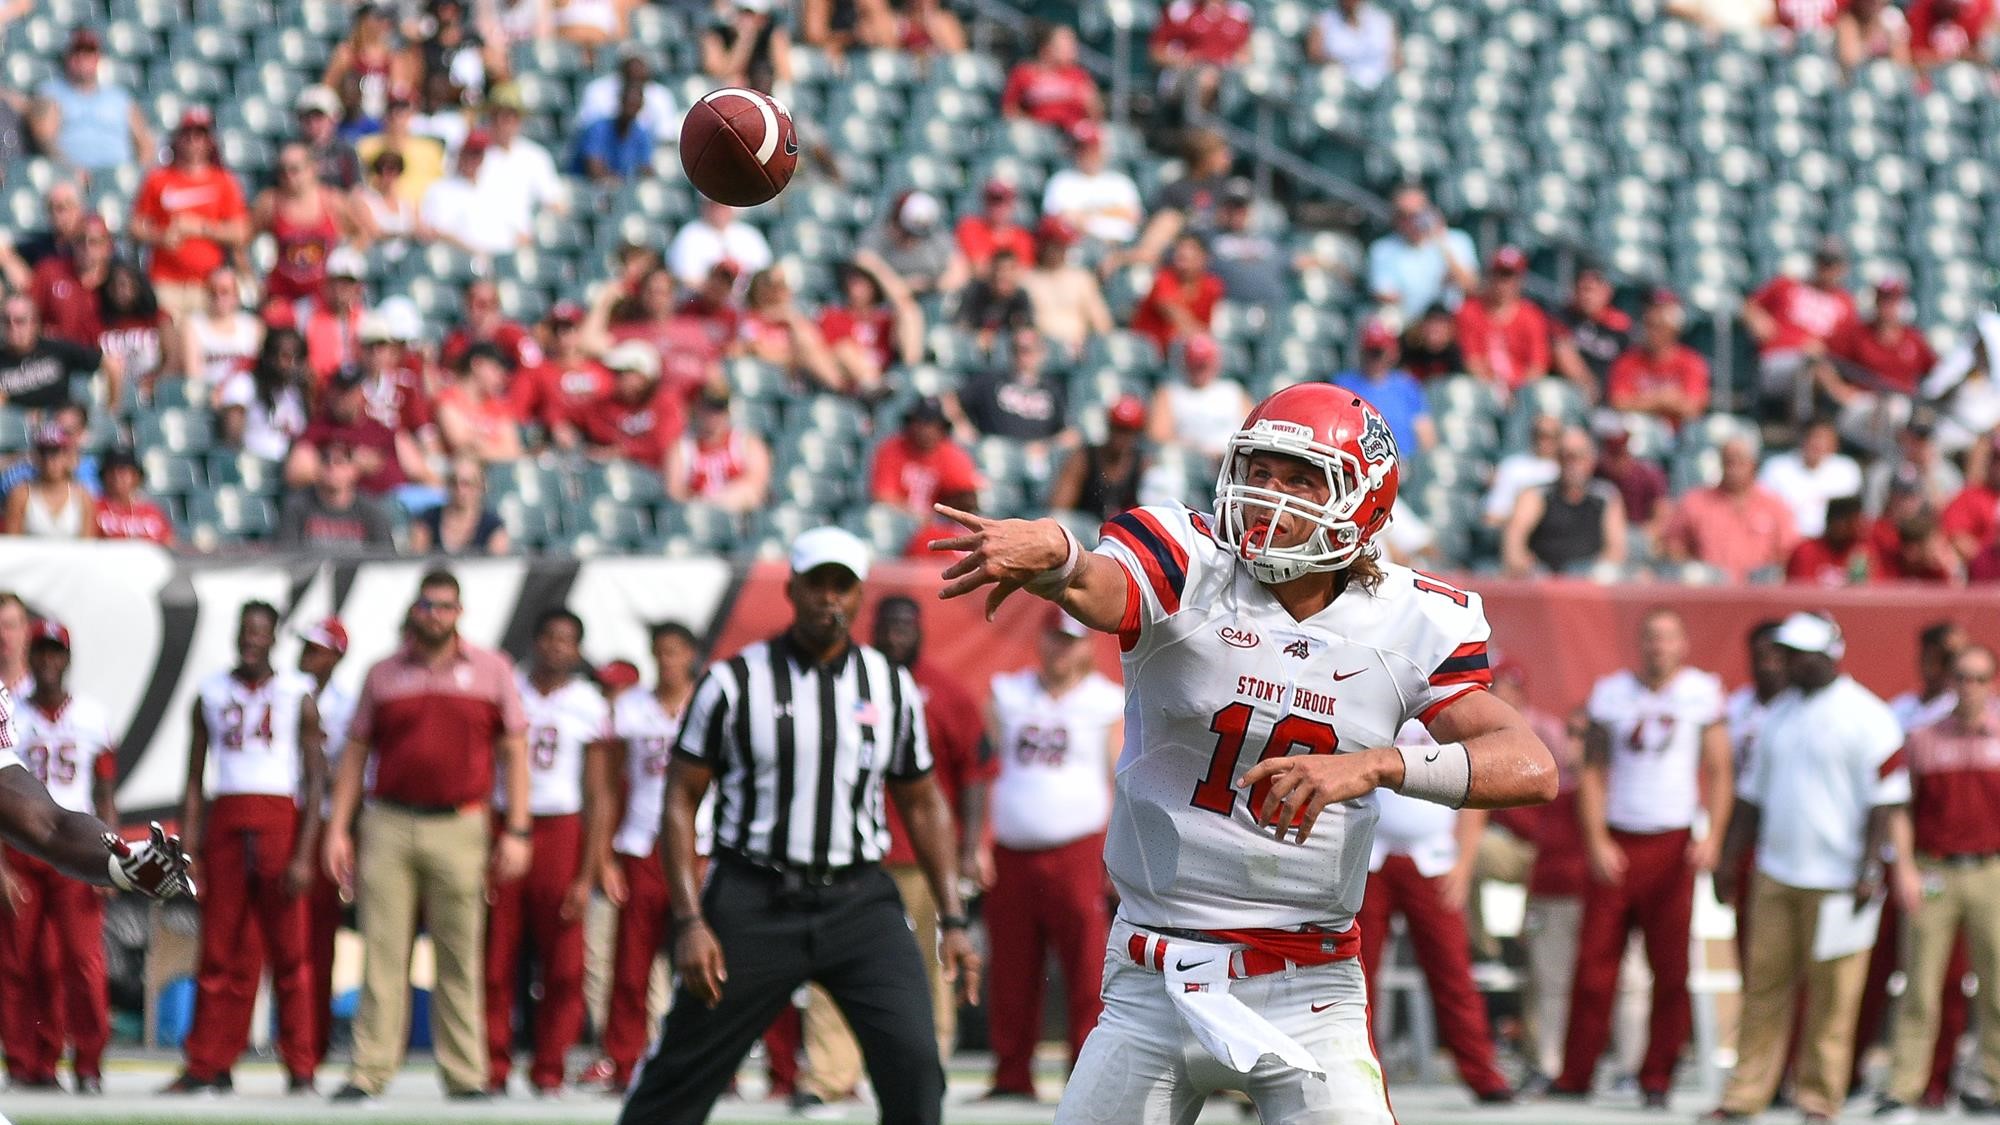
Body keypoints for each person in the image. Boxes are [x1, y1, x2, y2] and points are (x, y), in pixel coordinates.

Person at [928, 381, 1557, 1123]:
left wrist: (1380, 764)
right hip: (1152, 974)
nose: (1269, 494)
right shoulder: (1188, 559)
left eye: (1300, 478)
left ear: (1366, 502)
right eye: (1259, 470)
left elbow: (1531, 763)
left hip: (1309, 983)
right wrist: (1062, 556)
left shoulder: (1409, 617)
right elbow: (1103, 588)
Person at [617, 528, 981, 1125]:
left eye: (843, 586)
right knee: (679, 1075)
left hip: (860, 899)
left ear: (861, 595)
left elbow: (922, 802)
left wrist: (956, 919)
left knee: (915, 1065)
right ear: (791, 588)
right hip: (754, 896)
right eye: (817, 584)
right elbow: (681, 798)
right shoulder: (733, 681)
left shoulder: (890, 686)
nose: (829, 599)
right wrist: (689, 920)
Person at [322, 570, 530, 1103]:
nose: (435, 614)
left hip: (461, 822)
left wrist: (519, 828)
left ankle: (465, 1074)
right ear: (414, 610)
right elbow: (356, 752)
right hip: (389, 820)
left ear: (458, 612)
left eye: (445, 606)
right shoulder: (383, 674)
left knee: (460, 954)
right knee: (381, 951)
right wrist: (339, 829)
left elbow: (514, 751)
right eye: (427, 605)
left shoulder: (491, 670)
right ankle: (369, 1069)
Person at [1710, 612, 1909, 1123]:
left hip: (1842, 881)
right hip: (1777, 873)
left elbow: (1884, 804)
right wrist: (1729, 860)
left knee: (1834, 998)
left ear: (1828, 657)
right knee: (1763, 989)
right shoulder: (1775, 715)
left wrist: (1870, 870)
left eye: (1798, 654)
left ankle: (1819, 1100)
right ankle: (1743, 1096)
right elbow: (1750, 797)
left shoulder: (1869, 716)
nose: (1787, 662)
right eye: (1786, 653)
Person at [1550, 610, 1730, 1110]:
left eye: (1669, 637)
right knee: (1595, 964)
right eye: (1651, 637)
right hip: (1621, 839)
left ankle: (1658, 1076)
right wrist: (1596, 840)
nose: (1659, 647)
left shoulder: (1702, 692)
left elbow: (1719, 768)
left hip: (1672, 841)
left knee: (1671, 968)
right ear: (1641, 643)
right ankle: (1576, 1072)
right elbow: (1591, 771)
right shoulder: (1612, 693)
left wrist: (1711, 833)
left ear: (1684, 644)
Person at [164, 602, 325, 1095]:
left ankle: (301, 1065)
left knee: (291, 953)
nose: (252, 640)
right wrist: (189, 847)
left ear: (275, 637)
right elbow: (194, 779)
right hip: (228, 820)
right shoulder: (210, 692)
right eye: (246, 630)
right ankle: (208, 1062)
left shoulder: (298, 693)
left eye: (262, 632)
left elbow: (317, 780)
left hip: (279, 820)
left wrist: (303, 854)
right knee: (218, 951)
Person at [977, 607, 1123, 1099]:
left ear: (1087, 647)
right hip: (1013, 850)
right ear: (1041, 641)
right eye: (1055, 640)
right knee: (1011, 969)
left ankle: (1084, 1076)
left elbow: (1120, 780)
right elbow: (984, 774)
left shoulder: (1106, 702)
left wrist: (1116, 854)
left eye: (1072, 641)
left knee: (1087, 969)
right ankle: (1011, 1073)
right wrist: (978, 841)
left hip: (1079, 848)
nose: (1062, 651)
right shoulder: (1008, 694)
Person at [486, 610, 613, 1095]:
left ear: (577, 650)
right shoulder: (509, 688)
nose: (558, 647)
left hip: (562, 828)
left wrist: (587, 873)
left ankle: (549, 1067)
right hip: (506, 821)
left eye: (568, 641)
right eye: (551, 637)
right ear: (536, 640)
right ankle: (494, 1066)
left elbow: (599, 793)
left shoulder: (588, 703)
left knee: (564, 963)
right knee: (497, 957)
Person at [1875, 644, 2000, 1124]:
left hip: (1990, 870)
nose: (1970, 688)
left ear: (1991, 684)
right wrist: (1903, 867)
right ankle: (1906, 1087)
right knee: (1920, 986)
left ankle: (1993, 1081)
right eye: (1962, 678)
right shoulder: (1924, 738)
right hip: (1936, 870)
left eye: (1979, 678)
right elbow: (1901, 808)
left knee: (1996, 986)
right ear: (1950, 684)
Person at [1358, 734, 1517, 1104]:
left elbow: (1476, 786)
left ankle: (1482, 1073)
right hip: (1370, 854)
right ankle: (1358, 1074)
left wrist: (1463, 864)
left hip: (1434, 858)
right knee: (1357, 974)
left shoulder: (1451, 701)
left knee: (1452, 972)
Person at [0, 620, 118, 1093]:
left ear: (67, 659)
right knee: (19, 961)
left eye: (56, 653)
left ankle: (88, 1063)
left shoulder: (92, 715)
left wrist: (109, 854)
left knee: (83, 961)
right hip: (23, 845)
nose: (49, 662)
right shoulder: (14, 709)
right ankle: (30, 1064)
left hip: (72, 837)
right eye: (41, 652)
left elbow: (107, 791)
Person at [593, 623, 701, 1091]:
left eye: (676, 652)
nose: (668, 661)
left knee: (701, 961)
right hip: (642, 842)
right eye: (661, 653)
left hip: (702, 844)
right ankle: (624, 1059)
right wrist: (605, 856)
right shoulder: (629, 708)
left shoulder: (709, 702)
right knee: (632, 964)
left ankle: (709, 1058)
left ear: (690, 655)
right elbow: (607, 788)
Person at [294, 617, 353, 1075]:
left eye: (316, 649)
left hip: (328, 818)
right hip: (286, 812)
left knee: (318, 937)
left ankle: (315, 1040)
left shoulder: (348, 706)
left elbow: (352, 772)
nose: (306, 656)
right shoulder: (285, 692)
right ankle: (293, 1040)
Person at [130, 109, 251, 323]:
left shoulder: (223, 181)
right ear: (177, 139)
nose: (194, 141)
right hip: (165, 281)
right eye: (188, 134)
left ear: (209, 141)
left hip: (207, 284)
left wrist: (201, 228)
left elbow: (240, 233)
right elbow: (135, 227)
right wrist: (160, 236)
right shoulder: (158, 179)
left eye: (200, 135)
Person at [1659, 436, 1799, 582]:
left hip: (1759, 594)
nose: (1734, 467)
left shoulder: (1774, 505)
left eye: (1740, 461)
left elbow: (1789, 551)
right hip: (1709, 592)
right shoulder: (1696, 502)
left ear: (1754, 464)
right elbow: (1673, 545)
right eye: (1729, 461)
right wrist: (1694, 573)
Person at [1744, 238, 1856, 419]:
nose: (1826, 267)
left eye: (1832, 263)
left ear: (1843, 268)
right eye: (1822, 261)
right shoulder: (1788, 285)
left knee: (1814, 364)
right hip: (1777, 360)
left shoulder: (1846, 303)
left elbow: (1847, 347)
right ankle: (1828, 408)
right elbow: (1750, 305)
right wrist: (1756, 318)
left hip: (1820, 367)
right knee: (1809, 363)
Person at [255, 143, 368, 310]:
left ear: (312, 168)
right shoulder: (270, 202)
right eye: (283, 171)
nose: (288, 176)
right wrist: (253, 280)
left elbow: (363, 233)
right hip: (283, 296)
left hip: (324, 299)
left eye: (294, 169)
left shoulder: (333, 201)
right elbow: (243, 237)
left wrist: (346, 257)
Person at [1501, 427, 1627, 576]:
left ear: (1591, 460)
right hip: (1543, 579)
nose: (1572, 463)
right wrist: (1524, 567)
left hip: (1589, 580)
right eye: (1566, 456)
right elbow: (1514, 540)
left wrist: (1598, 573)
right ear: (1558, 459)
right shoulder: (1537, 495)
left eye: (1579, 456)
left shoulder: (1605, 496)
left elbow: (1616, 548)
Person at [29, 28, 152, 174]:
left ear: (98, 58)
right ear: (67, 57)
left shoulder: (120, 98)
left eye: (89, 52)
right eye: (76, 51)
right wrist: (68, 169)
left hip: (119, 175)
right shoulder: (51, 93)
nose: (82, 58)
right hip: (71, 175)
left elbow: (145, 144)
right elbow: (44, 138)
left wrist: (136, 175)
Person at [507, 303, 611, 451]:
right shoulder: (536, 371)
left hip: (597, 443)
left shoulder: (601, 371)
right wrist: (549, 426)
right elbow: (517, 413)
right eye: (556, 330)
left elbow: (613, 410)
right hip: (551, 444)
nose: (563, 335)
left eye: (570, 329)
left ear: (581, 331)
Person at [1369, 185, 1479, 323]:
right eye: (1403, 215)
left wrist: (1441, 242)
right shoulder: (1383, 250)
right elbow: (1386, 295)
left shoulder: (1456, 240)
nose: (1410, 221)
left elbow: (1471, 286)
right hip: (1410, 324)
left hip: (1449, 323)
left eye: (1416, 214)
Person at [949, 326, 1070, 449]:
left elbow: (1068, 433)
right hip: (996, 451)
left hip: (1037, 456)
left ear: (1042, 353)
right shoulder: (991, 380)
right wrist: (961, 424)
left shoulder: (1053, 389)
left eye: (1027, 350)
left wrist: (1045, 446)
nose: (1021, 356)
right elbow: (950, 398)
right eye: (1016, 349)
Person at [1146, 333, 1254, 469]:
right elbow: (1158, 436)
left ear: (1215, 362)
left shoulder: (1233, 391)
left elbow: (1252, 432)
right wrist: (1200, 452)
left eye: (1203, 363)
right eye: (1194, 362)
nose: (1198, 369)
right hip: (1187, 462)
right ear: (1184, 362)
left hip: (1231, 460)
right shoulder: (1170, 392)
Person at [1605, 290, 1709, 429]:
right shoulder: (1628, 360)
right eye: (1648, 324)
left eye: (1658, 326)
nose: (1651, 332)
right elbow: (1618, 402)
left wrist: (1640, 401)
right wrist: (1662, 400)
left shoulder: (1691, 362)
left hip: (1680, 436)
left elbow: (1693, 408)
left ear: (1674, 329)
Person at [1456, 246, 1551, 397]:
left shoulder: (1532, 316)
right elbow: (1472, 360)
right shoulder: (1470, 311)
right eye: (1498, 275)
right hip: (1483, 388)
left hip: (1523, 390)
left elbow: (1537, 365)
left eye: (1509, 276)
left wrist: (1518, 392)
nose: (1503, 283)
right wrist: (1497, 389)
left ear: (1520, 280)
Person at [1332, 320, 1434, 457]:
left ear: (1392, 353)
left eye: (1378, 352)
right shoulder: (1343, 385)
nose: (1374, 358)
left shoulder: (1406, 386)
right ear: (1361, 351)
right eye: (1370, 351)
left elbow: (1425, 432)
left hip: (1403, 466)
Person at [870, 397, 983, 517]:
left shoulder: (952, 454)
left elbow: (969, 496)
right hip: (900, 522)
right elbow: (882, 497)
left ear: (942, 429)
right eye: (921, 424)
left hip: (938, 524)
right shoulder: (892, 449)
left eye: (933, 426)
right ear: (910, 425)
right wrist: (917, 515)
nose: (926, 431)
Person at [1021, 216, 1114, 361]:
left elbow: (1102, 323)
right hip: (1040, 354)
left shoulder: (1082, 279)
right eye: (1054, 243)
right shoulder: (1027, 280)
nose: (1058, 250)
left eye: (1062, 244)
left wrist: (1091, 346)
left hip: (1079, 353)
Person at [664, 390, 772, 513]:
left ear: (728, 412)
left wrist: (720, 500)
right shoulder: (682, 448)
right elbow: (675, 492)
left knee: (748, 493)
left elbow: (757, 483)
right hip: (699, 513)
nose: (714, 416)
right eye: (708, 409)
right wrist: (703, 502)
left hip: (739, 512)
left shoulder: (747, 443)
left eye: (719, 409)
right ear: (697, 409)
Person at [421, 133, 529, 256]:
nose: (473, 160)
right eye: (469, 153)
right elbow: (438, 232)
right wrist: (477, 253)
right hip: (463, 263)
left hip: (504, 261)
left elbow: (523, 233)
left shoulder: (499, 189)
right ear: (459, 154)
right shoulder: (440, 190)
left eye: (478, 154)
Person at [0, 293, 109, 412]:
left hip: (61, 424)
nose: (12, 327)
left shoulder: (57, 349)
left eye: (20, 321)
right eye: (6, 320)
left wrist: (109, 413)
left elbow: (111, 363)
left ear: (34, 323)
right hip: (16, 426)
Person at [277, 442, 395, 552]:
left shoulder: (371, 511)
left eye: (339, 461)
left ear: (353, 470)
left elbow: (385, 561)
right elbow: (285, 557)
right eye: (325, 460)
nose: (332, 466)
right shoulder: (297, 507)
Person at [1758, 417, 1863, 540]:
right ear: (1802, 438)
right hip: (1788, 540)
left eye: (1825, 439)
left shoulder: (1847, 470)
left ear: (1835, 443)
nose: (1818, 444)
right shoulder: (1775, 468)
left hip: (1832, 542)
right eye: (1814, 437)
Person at [217, 327, 311, 464]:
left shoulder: (296, 393)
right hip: (250, 467)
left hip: (285, 471)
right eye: (286, 356)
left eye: (298, 358)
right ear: (269, 357)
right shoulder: (245, 384)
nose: (292, 364)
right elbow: (232, 440)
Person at [1049, 394, 1148, 521]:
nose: (1121, 436)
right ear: (1108, 426)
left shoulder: (1143, 465)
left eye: (1128, 431)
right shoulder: (1084, 459)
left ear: (1137, 433)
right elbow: (1058, 511)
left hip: (1124, 535)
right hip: (1084, 534)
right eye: (1117, 428)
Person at [1149, 0, 1253, 112]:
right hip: (1182, 73)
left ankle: (1207, 123)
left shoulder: (1240, 14)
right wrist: (1182, 60)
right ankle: (1196, 123)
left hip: (1224, 75)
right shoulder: (1180, 11)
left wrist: (1229, 62)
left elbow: (1246, 55)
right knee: (1206, 79)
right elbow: (1156, 53)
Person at [1130, 232, 1223, 356]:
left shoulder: (1211, 287)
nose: (1184, 253)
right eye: (1181, 248)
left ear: (1204, 257)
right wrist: (1203, 339)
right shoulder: (1164, 279)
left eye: (1192, 249)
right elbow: (1174, 313)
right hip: (1148, 352)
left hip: (1185, 355)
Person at [1550, 266, 1632, 401]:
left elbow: (1627, 366)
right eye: (1582, 289)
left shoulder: (1619, 328)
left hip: (1608, 400)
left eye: (1591, 290)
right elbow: (1562, 350)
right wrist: (1587, 385)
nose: (1586, 296)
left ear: (1607, 292)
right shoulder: (1563, 316)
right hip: (1569, 390)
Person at [1000, 24, 1101, 131]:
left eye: (1072, 44)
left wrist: (1091, 102)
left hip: (1072, 135)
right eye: (1065, 44)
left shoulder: (1079, 75)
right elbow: (1009, 110)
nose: (1072, 49)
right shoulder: (1024, 72)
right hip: (1037, 135)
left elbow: (1095, 116)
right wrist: (1029, 125)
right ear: (1046, 48)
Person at [178, 268, 263, 392]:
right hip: (209, 395)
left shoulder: (253, 326)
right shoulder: (194, 325)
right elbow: (193, 376)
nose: (218, 297)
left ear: (236, 294)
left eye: (224, 291)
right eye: (212, 291)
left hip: (245, 395)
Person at [3, 424, 95, 540]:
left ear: (68, 456)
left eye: (56, 452)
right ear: (37, 456)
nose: (49, 459)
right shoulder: (21, 495)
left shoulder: (83, 497)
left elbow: (88, 546)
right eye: (44, 452)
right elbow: (12, 543)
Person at [409, 456, 509, 556]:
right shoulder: (427, 521)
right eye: (454, 482)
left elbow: (497, 566)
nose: (460, 490)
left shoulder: (493, 527)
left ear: (481, 486)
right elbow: (415, 560)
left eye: (467, 484)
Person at [668, 200, 774, 290]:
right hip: (705, 306)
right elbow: (685, 278)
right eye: (715, 205)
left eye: (724, 205)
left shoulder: (750, 235)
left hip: (745, 306)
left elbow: (764, 274)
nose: (720, 211)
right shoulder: (689, 234)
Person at [1891, 622, 1968, 734]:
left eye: (1947, 658)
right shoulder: (1902, 706)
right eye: (1931, 657)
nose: (1937, 666)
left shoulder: (1969, 708)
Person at [571, 80, 653, 184]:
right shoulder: (598, 129)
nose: (631, 107)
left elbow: (646, 168)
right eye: (629, 103)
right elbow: (594, 170)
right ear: (620, 101)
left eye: (636, 104)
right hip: (586, 190)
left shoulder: (641, 134)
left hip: (621, 191)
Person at [955, 179, 1037, 279]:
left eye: (1002, 200)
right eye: (992, 200)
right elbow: (978, 269)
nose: (997, 207)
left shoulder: (1023, 237)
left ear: (1012, 203)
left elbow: (1024, 273)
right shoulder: (970, 228)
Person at [1307, 0, 1398, 91]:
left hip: (1380, 84)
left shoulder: (1382, 20)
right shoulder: (1324, 20)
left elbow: (1397, 58)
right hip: (1342, 85)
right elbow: (1314, 55)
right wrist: (1332, 63)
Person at [1784, 494, 1873, 586]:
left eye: (1849, 521)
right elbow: (1800, 593)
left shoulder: (1862, 553)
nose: (1840, 526)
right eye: (1837, 519)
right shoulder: (1806, 551)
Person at [93, 447, 173, 544]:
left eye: (123, 471)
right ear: (104, 476)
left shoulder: (151, 512)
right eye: (112, 471)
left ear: (136, 476)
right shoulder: (94, 509)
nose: (117, 477)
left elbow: (168, 543)